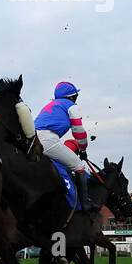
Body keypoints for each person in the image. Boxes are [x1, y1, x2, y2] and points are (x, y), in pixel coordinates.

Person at [34, 81, 94, 209]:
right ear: (72, 97)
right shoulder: (70, 106)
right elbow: (79, 131)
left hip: (33, 139)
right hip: (48, 139)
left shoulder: (50, 105)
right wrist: (83, 149)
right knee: (79, 166)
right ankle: (84, 205)